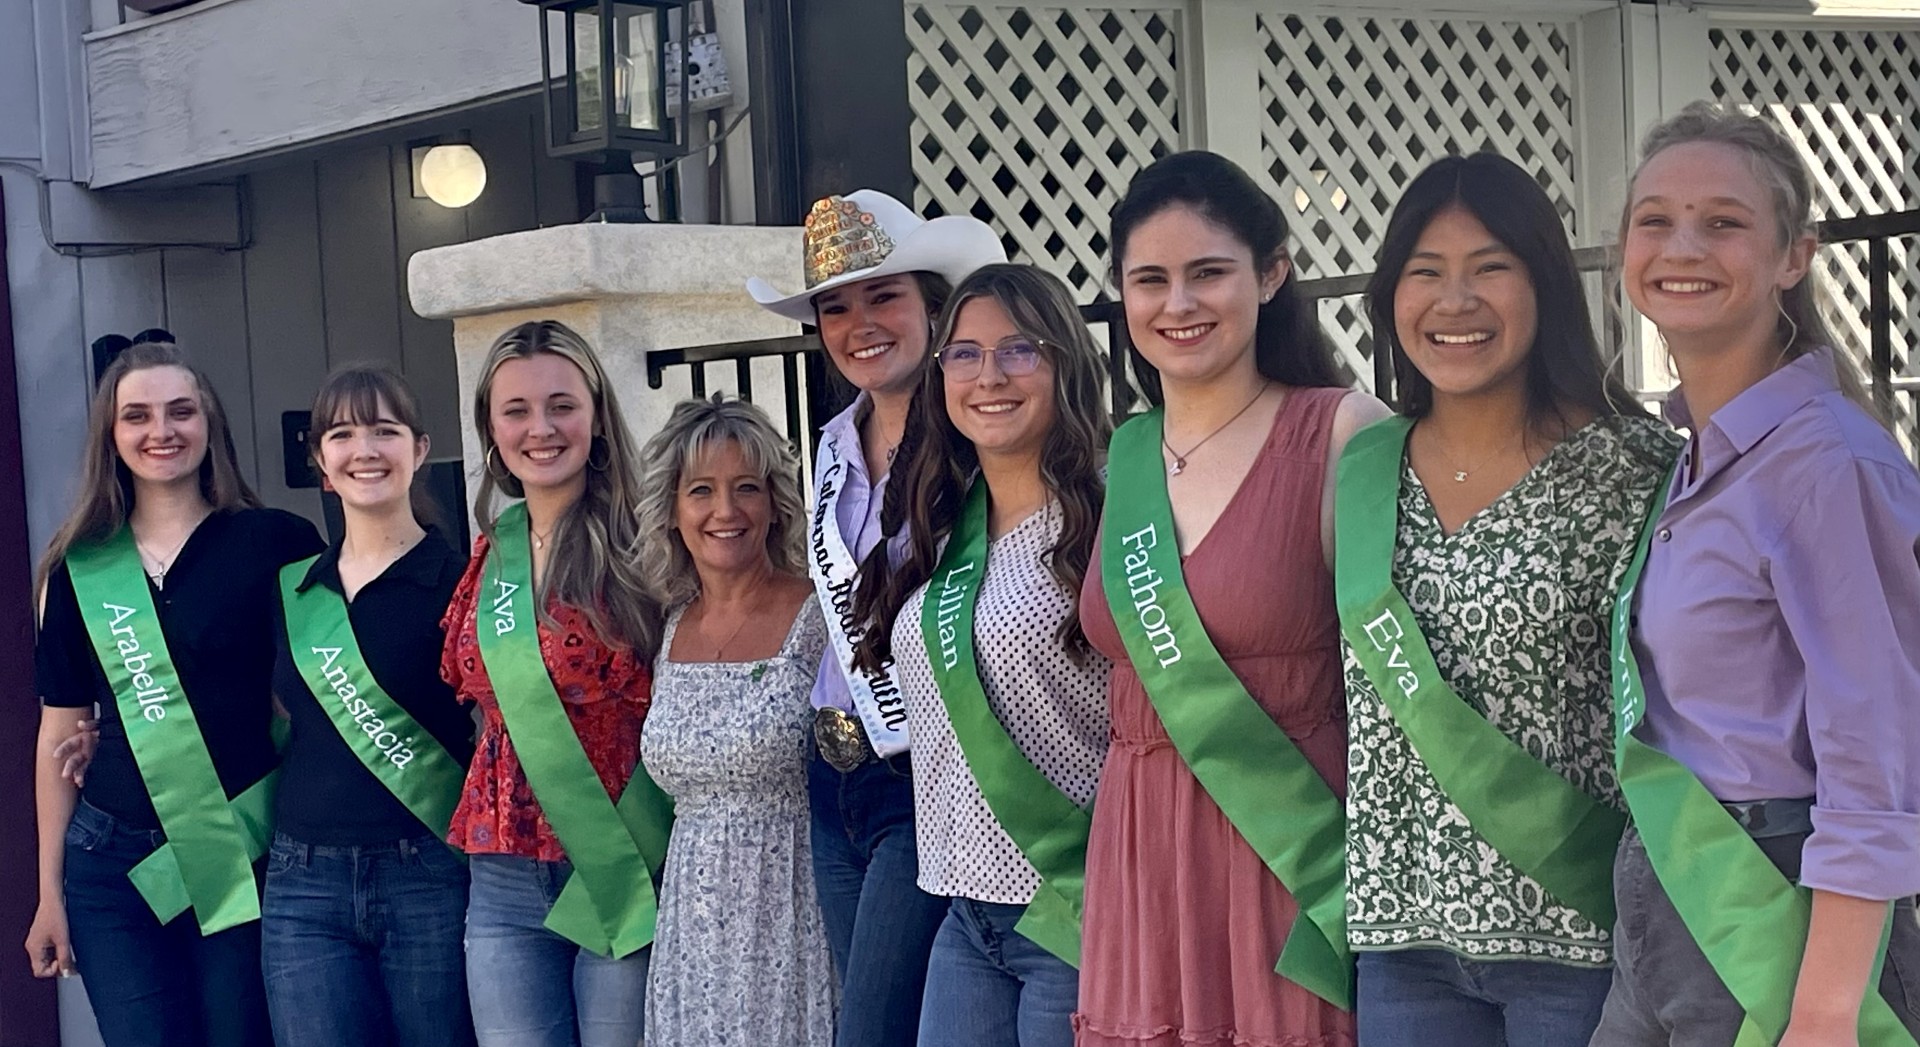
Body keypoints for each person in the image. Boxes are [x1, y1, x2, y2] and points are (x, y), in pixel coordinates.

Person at [1591, 102, 1920, 1046]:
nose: (1681, 243)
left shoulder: (1827, 466)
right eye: (1654, 220)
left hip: (1779, 902)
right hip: (1668, 888)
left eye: (1723, 222)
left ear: (1793, 257)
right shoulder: (1698, 455)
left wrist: (1823, 1010)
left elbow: (1877, 751)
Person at [1333, 153, 1679, 1045]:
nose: (1456, 302)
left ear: (1545, 284)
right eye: (1426, 274)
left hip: (1580, 938)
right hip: (1401, 940)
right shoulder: (1362, 470)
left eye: (1490, 268)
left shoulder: (1631, 468)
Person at [1076, 149, 1388, 1047]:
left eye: (1208, 273)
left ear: (1272, 273)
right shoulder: (1121, 456)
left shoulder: (1338, 432)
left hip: (1282, 847)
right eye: (1150, 280)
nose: (1178, 305)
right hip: (1141, 855)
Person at [748, 189, 1006, 1047]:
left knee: (871, 1029)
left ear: (933, 305)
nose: (859, 322)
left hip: (923, 772)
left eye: (884, 296)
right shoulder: (828, 444)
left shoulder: (978, 442)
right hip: (832, 775)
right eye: (835, 306)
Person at [25, 341, 323, 1047]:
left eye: (180, 411)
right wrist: (49, 893)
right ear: (112, 437)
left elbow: (311, 694)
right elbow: (56, 731)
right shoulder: (80, 566)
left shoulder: (277, 540)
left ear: (210, 423)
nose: (161, 430)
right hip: (111, 865)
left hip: (239, 844)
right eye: (138, 416)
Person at [852, 262, 1113, 1047]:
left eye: (1019, 349)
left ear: (1064, 359)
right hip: (964, 918)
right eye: (963, 353)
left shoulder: (1114, 519)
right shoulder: (942, 523)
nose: (988, 375)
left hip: (1071, 914)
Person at [441, 320, 667, 1047]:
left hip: (620, 853)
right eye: (516, 410)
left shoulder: (651, 546)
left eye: (562, 404)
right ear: (490, 428)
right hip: (503, 867)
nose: (541, 427)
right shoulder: (490, 552)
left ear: (597, 415)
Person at [262, 366, 476, 1047]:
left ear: (420, 449)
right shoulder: (292, 591)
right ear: (322, 462)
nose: (365, 450)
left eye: (385, 430)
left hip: (428, 872)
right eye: (343, 433)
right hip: (303, 882)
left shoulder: (462, 582)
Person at [635, 395, 836, 1046]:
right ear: (672, 506)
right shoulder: (668, 626)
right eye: (702, 490)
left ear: (774, 500)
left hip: (790, 909)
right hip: (688, 930)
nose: (726, 511)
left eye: (746, 487)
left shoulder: (818, 618)